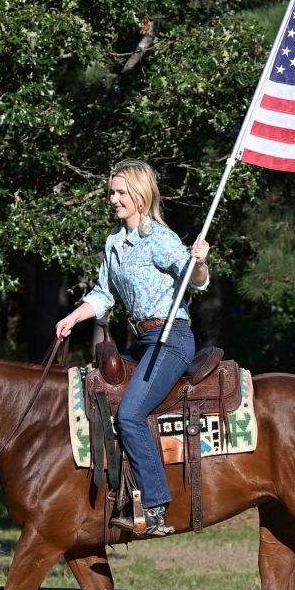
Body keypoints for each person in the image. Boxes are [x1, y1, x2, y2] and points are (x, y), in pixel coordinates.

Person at [55, 159, 210, 537]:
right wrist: (73, 319)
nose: (114, 198)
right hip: (141, 341)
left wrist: (201, 263)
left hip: (171, 338)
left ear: (140, 195)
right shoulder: (114, 243)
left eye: (121, 192)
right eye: (111, 192)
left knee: (129, 414)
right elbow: (103, 294)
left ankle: (155, 506)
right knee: (103, 400)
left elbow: (195, 280)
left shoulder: (160, 238)